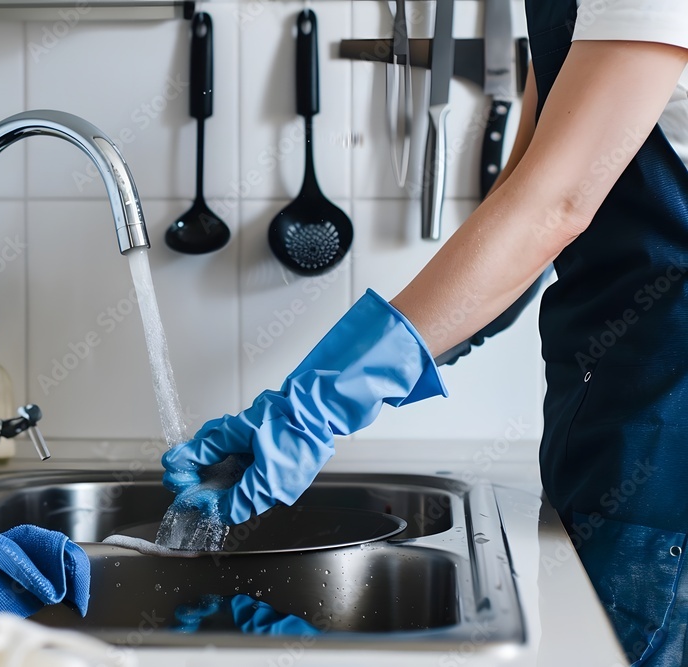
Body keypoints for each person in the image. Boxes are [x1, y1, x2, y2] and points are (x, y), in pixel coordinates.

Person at [162, 1, 688, 664]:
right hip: (604, 431)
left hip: (665, 455)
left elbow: (554, 206)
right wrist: (338, 394)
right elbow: (520, 200)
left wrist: (316, 406)